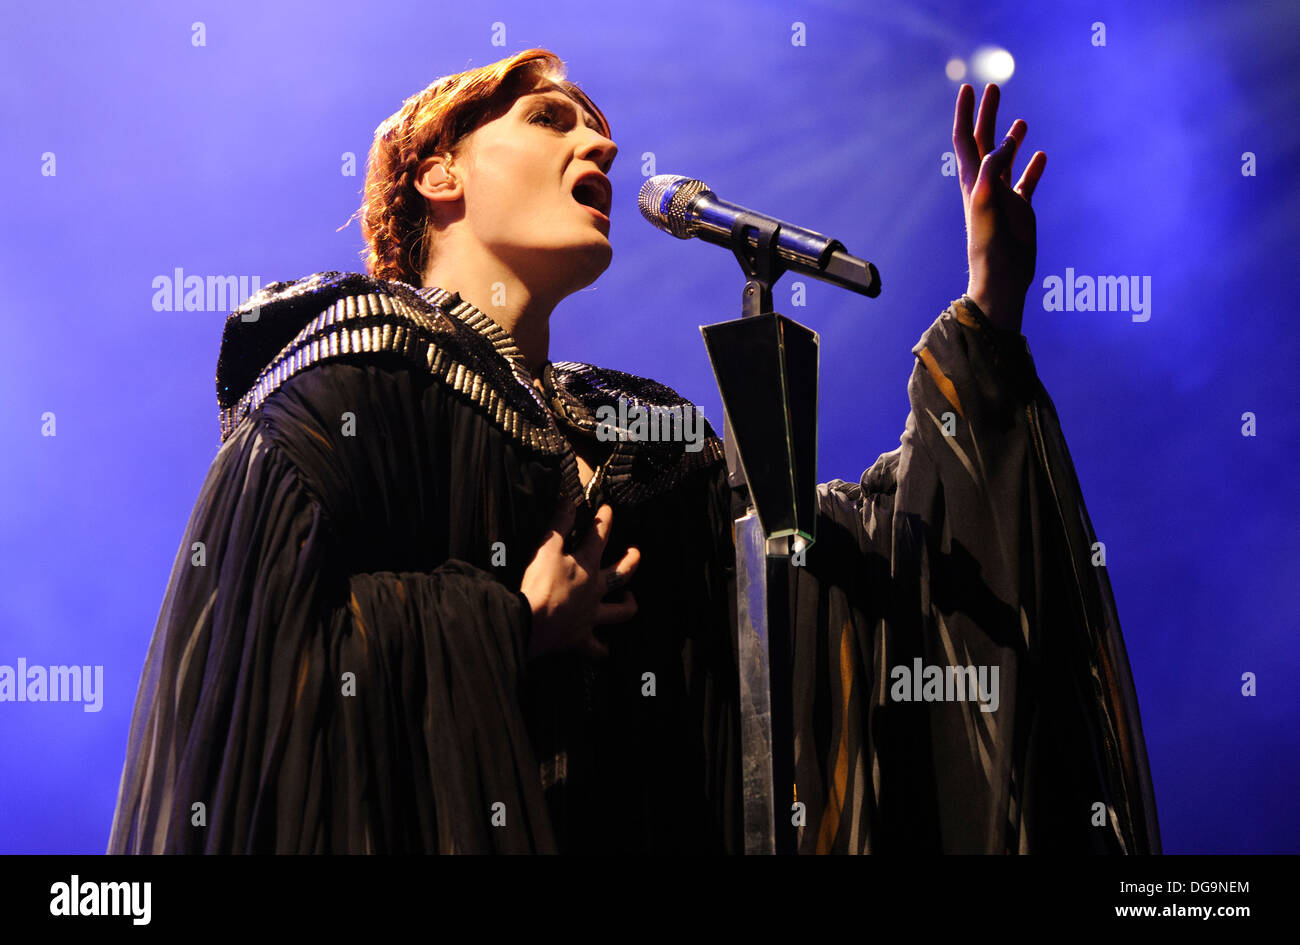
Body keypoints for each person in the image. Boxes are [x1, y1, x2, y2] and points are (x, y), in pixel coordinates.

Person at [107, 48, 1160, 854]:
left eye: (602, 130)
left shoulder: (639, 441)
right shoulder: (352, 371)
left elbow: (825, 597)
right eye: (550, 120)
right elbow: (250, 684)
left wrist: (986, 321)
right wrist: (502, 625)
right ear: (437, 173)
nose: (601, 148)